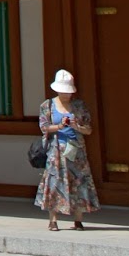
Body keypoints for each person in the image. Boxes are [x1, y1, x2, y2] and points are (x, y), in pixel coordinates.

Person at [36, 69, 98, 231]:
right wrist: (59, 126)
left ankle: (78, 219)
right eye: (63, 91)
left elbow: (89, 129)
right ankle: (53, 220)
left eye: (68, 92)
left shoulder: (78, 106)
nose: (66, 95)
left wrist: (76, 126)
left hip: (75, 148)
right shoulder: (47, 105)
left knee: (79, 181)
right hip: (56, 148)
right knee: (55, 181)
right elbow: (44, 127)